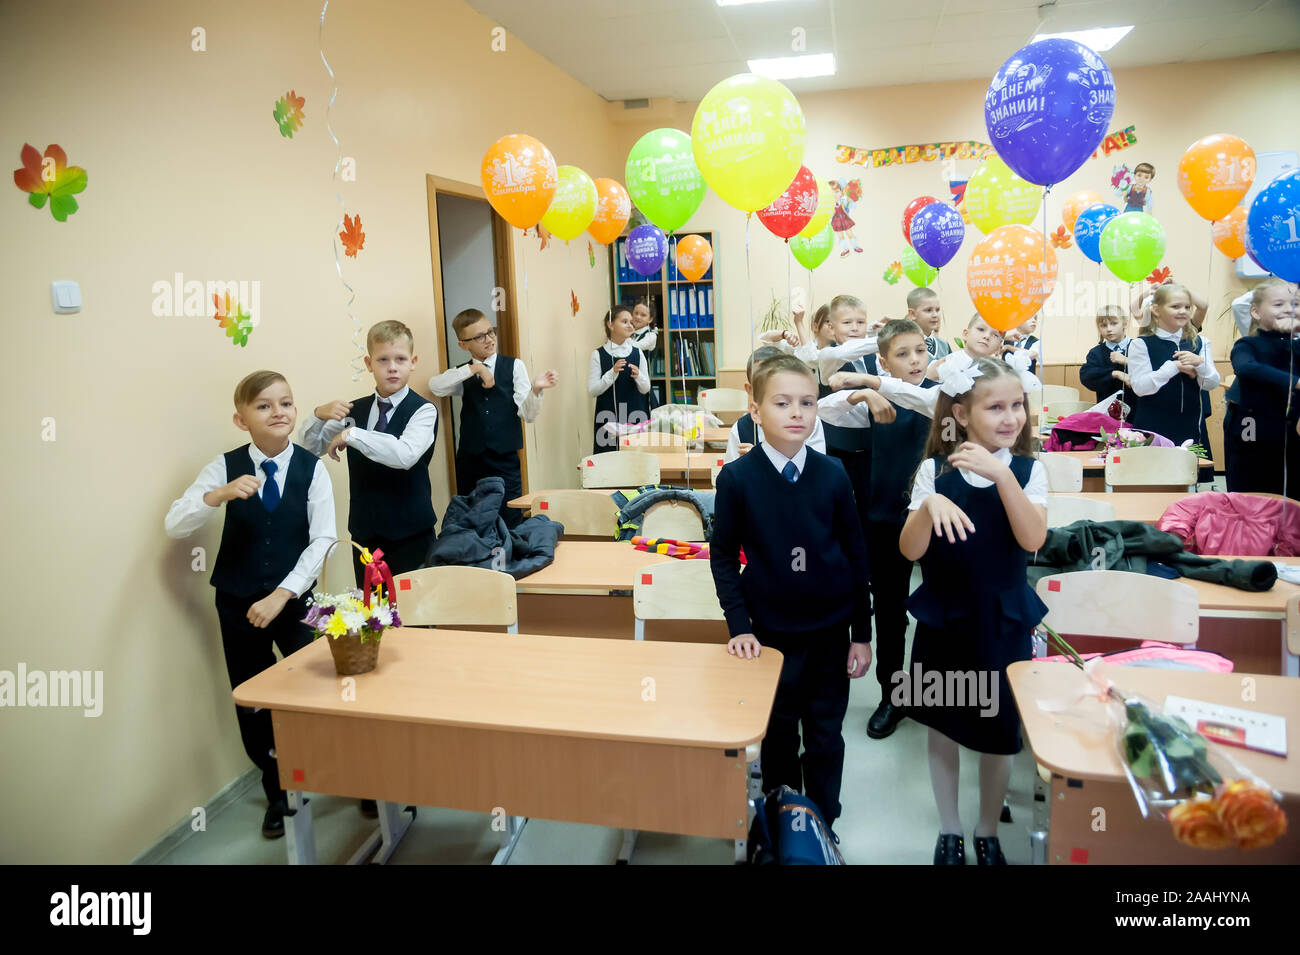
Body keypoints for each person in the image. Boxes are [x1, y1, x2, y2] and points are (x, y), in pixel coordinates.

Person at [165, 371, 336, 838]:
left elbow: (323, 538)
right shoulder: (223, 467)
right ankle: (277, 789)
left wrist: (283, 594)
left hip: (296, 601)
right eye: (264, 406)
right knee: (253, 699)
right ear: (241, 420)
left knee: (322, 687)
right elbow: (176, 523)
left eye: (286, 403)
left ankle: (347, 773)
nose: (278, 412)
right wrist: (216, 495)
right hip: (237, 603)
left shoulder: (312, 468)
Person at [710, 354, 872, 831]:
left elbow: (857, 556)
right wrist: (739, 626)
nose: (797, 413)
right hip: (770, 634)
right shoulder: (737, 479)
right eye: (782, 403)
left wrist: (861, 634)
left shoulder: (833, 474)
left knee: (825, 735)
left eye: (807, 402)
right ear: (755, 410)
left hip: (829, 632)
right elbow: (723, 558)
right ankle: (784, 820)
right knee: (779, 734)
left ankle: (823, 824)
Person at [899, 356, 1049, 865]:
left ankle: (987, 828)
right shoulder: (932, 471)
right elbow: (909, 551)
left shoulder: (1030, 470)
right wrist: (927, 507)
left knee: (997, 730)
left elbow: (1032, 538)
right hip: (945, 619)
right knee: (942, 726)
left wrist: (1001, 477)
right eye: (996, 408)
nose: (1011, 418)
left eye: (1018, 407)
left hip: (1002, 622)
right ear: (961, 416)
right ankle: (950, 829)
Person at [819, 319, 937, 740]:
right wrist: (865, 391)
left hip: (935, 522)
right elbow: (825, 409)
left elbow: (919, 399)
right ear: (884, 361)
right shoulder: (878, 401)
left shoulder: (938, 397)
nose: (915, 360)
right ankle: (893, 695)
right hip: (886, 519)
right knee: (890, 612)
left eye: (920, 351)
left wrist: (875, 383)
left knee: (937, 610)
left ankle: (930, 692)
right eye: (902, 354)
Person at [302, 320, 439, 585]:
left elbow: (404, 454)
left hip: (412, 535)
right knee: (372, 616)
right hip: (365, 536)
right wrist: (318, 415)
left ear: (413, 361)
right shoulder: (354, 412)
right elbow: (310, 448)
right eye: (383, 359)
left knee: (415, 616)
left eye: (400, 359)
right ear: (368, 363)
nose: (392, 367)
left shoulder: (423, 410)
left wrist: (352, 435)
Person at [428, 308, 557, 527]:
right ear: (463, 344)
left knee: (509, 520)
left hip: (505, 460)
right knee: (473, 520)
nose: (489, 339)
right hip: (470, 460)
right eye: (479, 336)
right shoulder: (463, 372)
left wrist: (535, 391)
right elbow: (435, 386)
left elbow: (528, 414)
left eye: (490, 332)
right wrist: (475, 369)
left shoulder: (514, 366)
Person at [1126, 283, 1221, 468]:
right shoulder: (1141, 344)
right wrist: (1173, 367)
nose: (1183, 312)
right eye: (1175, 306)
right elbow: (1140, 387)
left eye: (1187, 307)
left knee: (1190, 481)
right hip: (1154, 425)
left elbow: (1211, 383)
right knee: (1153, 479)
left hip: (1190, 425)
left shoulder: (1200, 342)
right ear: (1156, 310)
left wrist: (1199, 365)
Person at [1225, 279, 1300, 497]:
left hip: (1290, 436)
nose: (1288, 309)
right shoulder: (1248, 344)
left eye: (1294, 304)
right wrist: (1295, 382)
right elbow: (1247, 368)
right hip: (1254, 438)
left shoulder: (1295, 346)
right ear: (1256, 313)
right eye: (1278, 304)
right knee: (1253, 498)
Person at [724, 345, 828, 462]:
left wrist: (761, 459)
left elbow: (818, 469)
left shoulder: (809, 421)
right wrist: (746, 465)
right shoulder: (740, 429)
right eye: (760, 381)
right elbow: (731, 472)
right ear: (750, 389)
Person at [589, 304, 651, 454]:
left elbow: (646, 388)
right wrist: (611, 373)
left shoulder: (637, 353)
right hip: (607, 418)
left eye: (631, 322)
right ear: (610, 324)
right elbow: (593, 390)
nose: (630, 325)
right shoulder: (598, 354)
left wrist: (639, 377)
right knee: (609, 461)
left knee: (636, 464)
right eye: (624, 322)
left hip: (636, 417)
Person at [1079, 305, 1133, 405]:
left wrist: (1127, 360)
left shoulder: (1138, 347)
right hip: (1107, 412)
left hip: (1136, 410)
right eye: (1104, 325)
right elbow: (1086, 376)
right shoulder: (1096, 353)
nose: (1109, 329)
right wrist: (1115, 373)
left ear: (1124, 324)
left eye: (1114, 324)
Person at [908, 287, 951, 359]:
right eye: (928, 310)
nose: (935, 315)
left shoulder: (944, 345)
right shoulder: (904, 345)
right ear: (912, 314)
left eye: (937, 310)